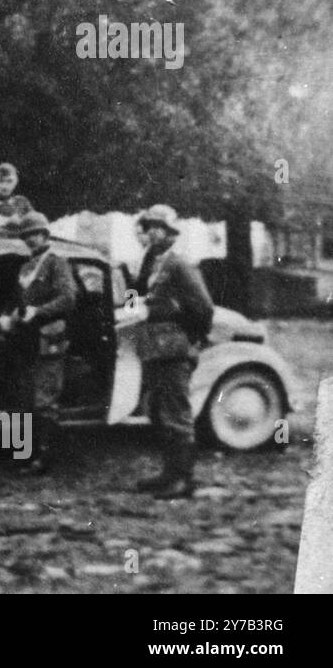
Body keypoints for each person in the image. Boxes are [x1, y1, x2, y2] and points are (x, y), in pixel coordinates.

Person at [123, 204, 214, 499]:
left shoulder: (179, 264)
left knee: (177, 413)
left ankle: (183, 479)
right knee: (159, 412)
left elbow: (203, 307)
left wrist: (191, 338)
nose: (152, 232)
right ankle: (168, 473)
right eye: (148, 226)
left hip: (174, 349)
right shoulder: (152, 263)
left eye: (158, 227)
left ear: (170, 233)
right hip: (154, 349)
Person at [0, 211, 76, 473]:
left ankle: (45, 458)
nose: (31, 239)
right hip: (26, 339)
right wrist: (8, 316)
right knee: (25, 398)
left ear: (45, 235)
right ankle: (26, 454)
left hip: (48, 338)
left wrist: (39, 312)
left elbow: (68, 299)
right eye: (27, 235)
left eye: (35, 234)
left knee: (45, 400)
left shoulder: (56, 263)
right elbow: (20, 301)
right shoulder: (26, 266)